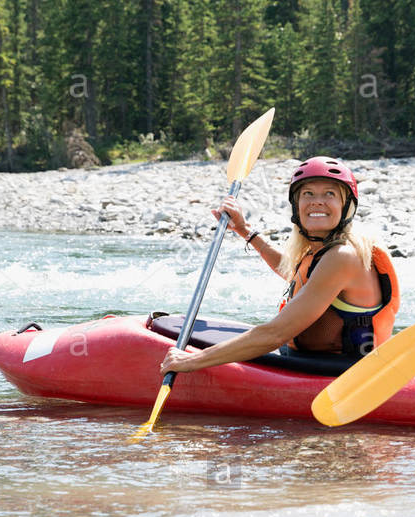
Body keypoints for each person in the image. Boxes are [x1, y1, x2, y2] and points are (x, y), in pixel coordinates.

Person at [159, 157, 400, 375]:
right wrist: (245, 231)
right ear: (296, 205)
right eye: (307, 194)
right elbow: (293, 272)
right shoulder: (323, 250)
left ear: (346, 206)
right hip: (310, 358)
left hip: (343, 374)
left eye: (329, 194)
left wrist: (192, 361)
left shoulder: (343, 256)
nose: (317, 202)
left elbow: (276, 334)